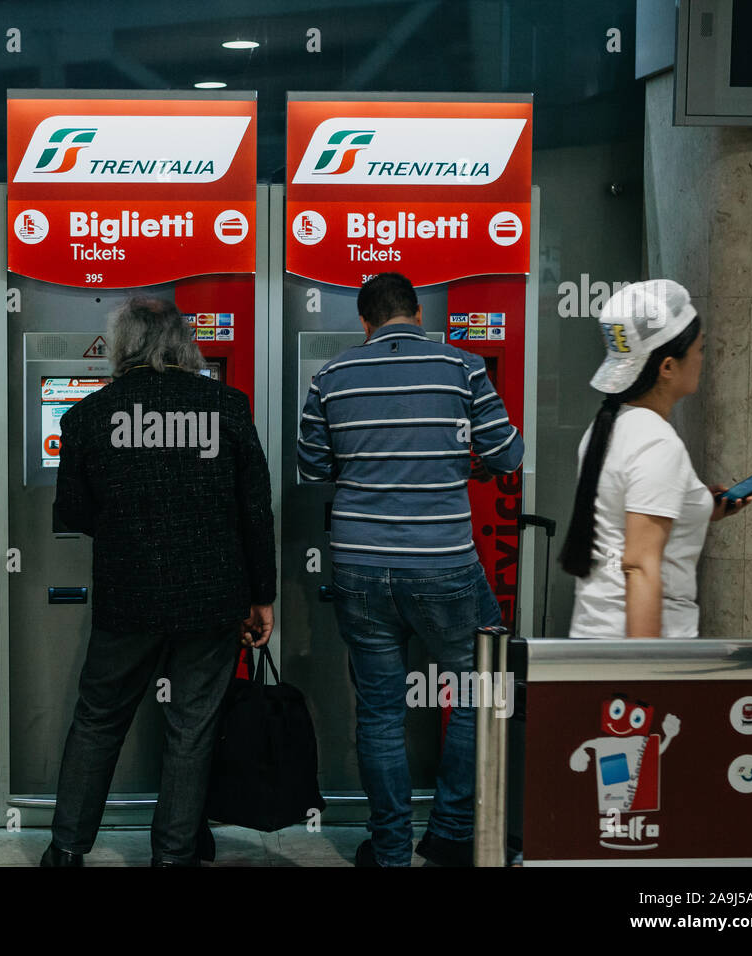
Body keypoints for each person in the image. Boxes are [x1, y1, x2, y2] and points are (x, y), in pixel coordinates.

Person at [297, 272, 523, 868]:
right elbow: (507, 454)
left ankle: (391, 849)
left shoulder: (332, 375)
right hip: (444, 563)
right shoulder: (464, 366)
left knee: (379, 711)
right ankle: (450, 833)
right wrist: (457, 465)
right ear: (417, 313)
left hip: (360, 566)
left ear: (364, 321)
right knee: (478, 692)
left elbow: (314, 465)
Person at [42, 296, 276, 867]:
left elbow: (72, 511)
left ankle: (67, 850)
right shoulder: (227, 406)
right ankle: (173, 855)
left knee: (98, 720)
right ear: (184, 344)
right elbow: (255, 511)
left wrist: (131, 531)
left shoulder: (88, 416)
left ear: (122, 346)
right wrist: (262, 596)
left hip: (129, 596)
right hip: (212, 597)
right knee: (192, 727)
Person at [561, 279, 750, 638]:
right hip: (637, 646)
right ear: (666, 367)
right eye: (700, 349)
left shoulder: (607, 426)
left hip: (597, 633)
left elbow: (623, 518)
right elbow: (640, 565)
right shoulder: (656, 442)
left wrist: (699, 505)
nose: (701, 360)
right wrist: (644, 676)